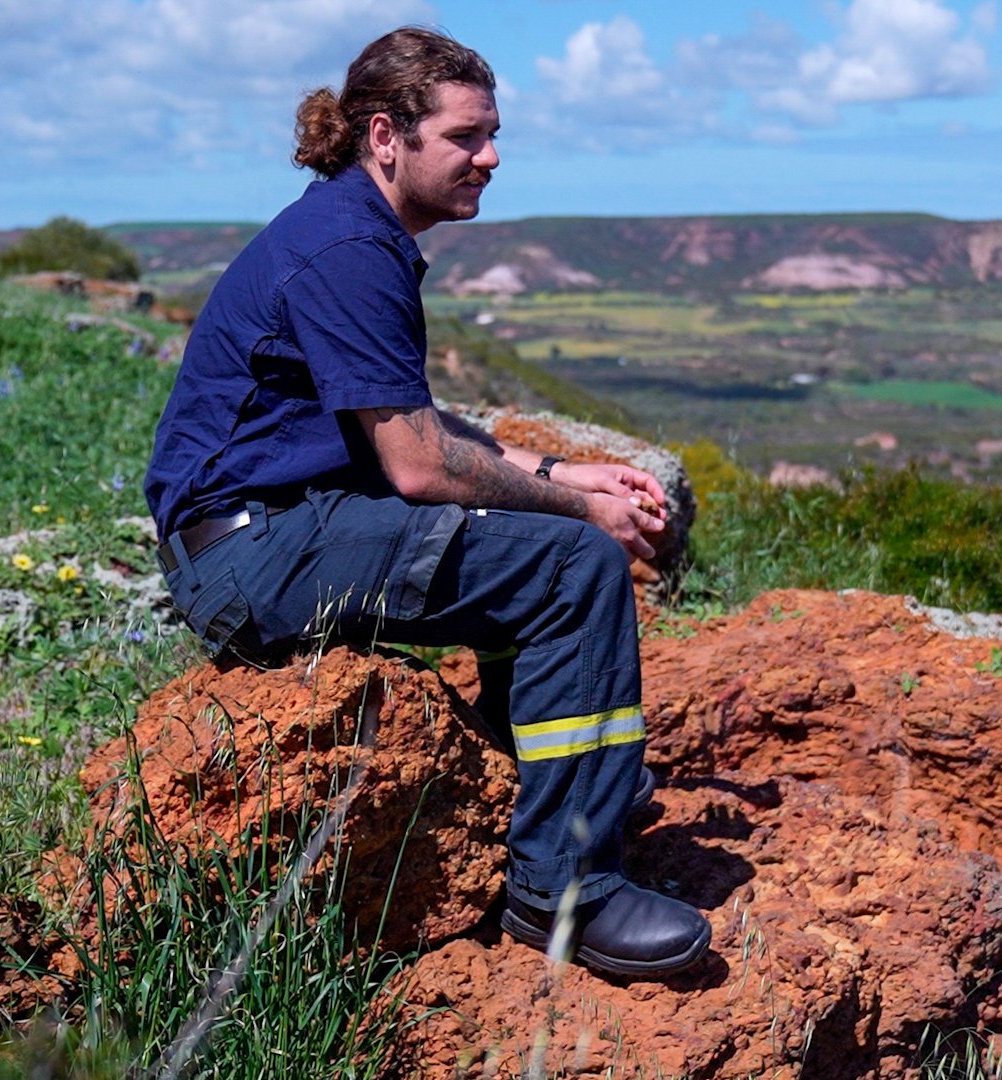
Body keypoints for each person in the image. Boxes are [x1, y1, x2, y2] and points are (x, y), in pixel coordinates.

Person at [143, 27, 711, 978]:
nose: (491, 157)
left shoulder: (351, 228)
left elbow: (406, 420)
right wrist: (581, 514)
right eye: (467, 137)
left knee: (536, 536)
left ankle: (556, 784)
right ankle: (567, 887)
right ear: (385, 136)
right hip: (254, 555)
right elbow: (415, 466)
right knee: (573, 565)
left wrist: (561, 473)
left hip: (273, 536)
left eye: (494, 134)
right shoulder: (347, 248)